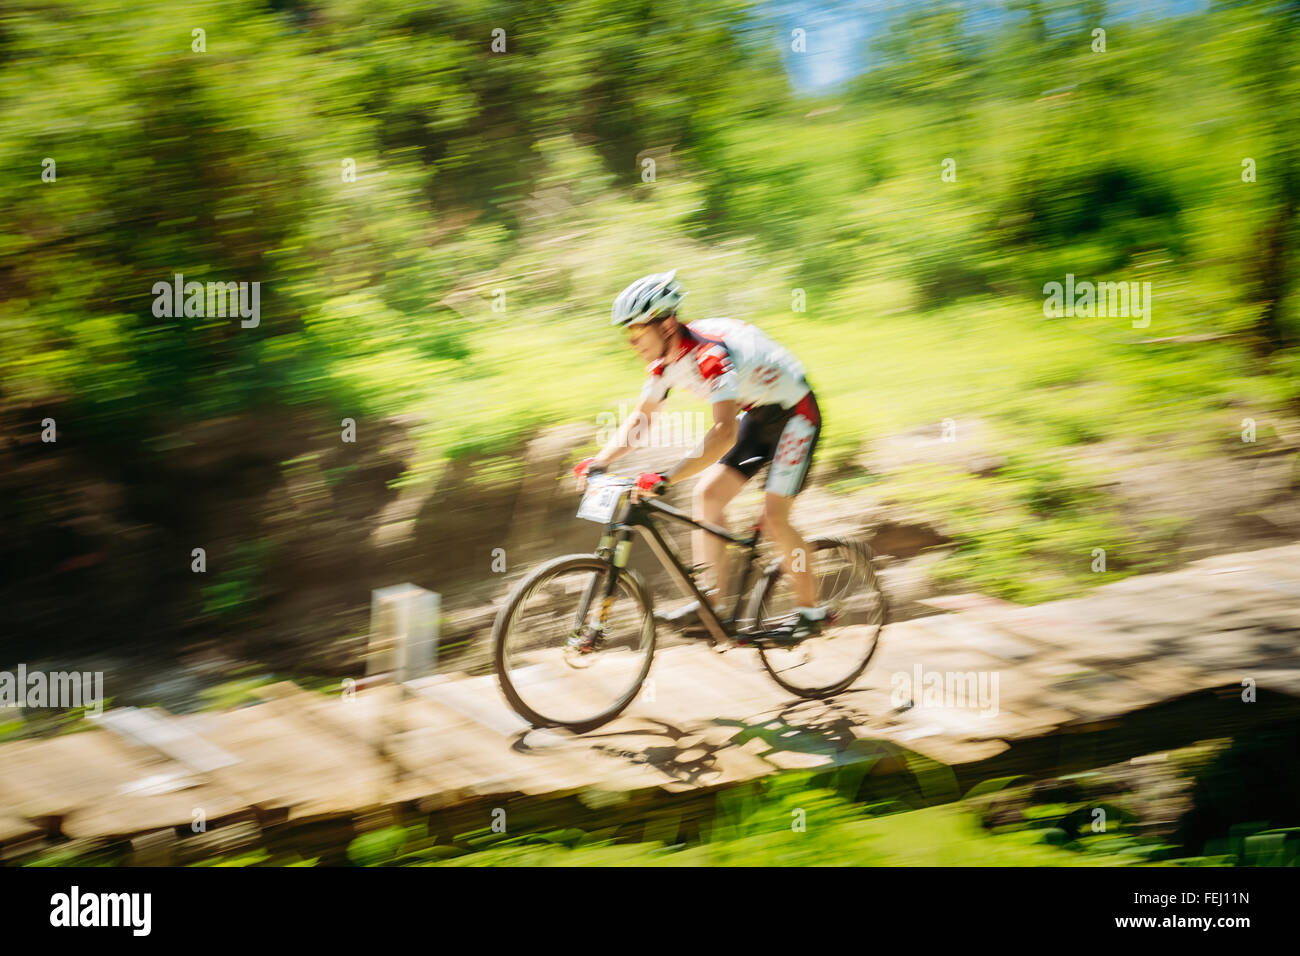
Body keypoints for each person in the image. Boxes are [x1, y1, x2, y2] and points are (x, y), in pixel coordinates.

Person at [573, 270, 827, 641]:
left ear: (666, 325)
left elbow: (724, 433)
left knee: (774, 518)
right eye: (628, 332)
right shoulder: (663, 365)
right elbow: (642, 419)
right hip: (759, 414)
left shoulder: (711, 356)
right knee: (707, 495)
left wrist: (666, 477)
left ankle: (811, 613)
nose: (631, 341)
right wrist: (601, 460)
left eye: (637, 330)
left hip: (796, 414)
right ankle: (715, 606)